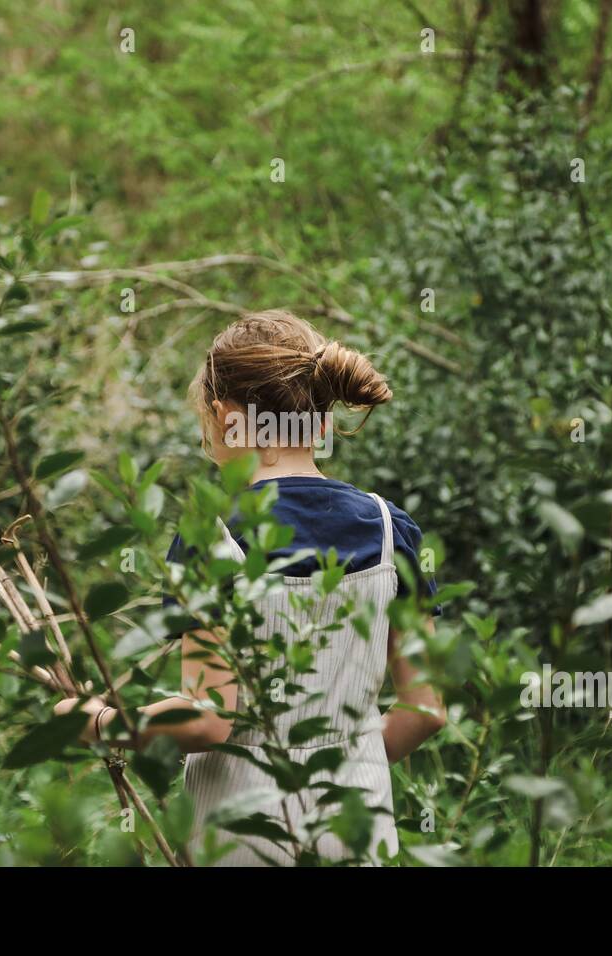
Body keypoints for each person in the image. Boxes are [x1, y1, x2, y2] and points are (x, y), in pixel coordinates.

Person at [55, 310, 445, 864]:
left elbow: (208, 718)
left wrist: (97, 722)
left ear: (225, 417)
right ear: (321, 423)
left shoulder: (212, 538)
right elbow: (425, 711)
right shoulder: (391, 530)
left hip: (242, 836)